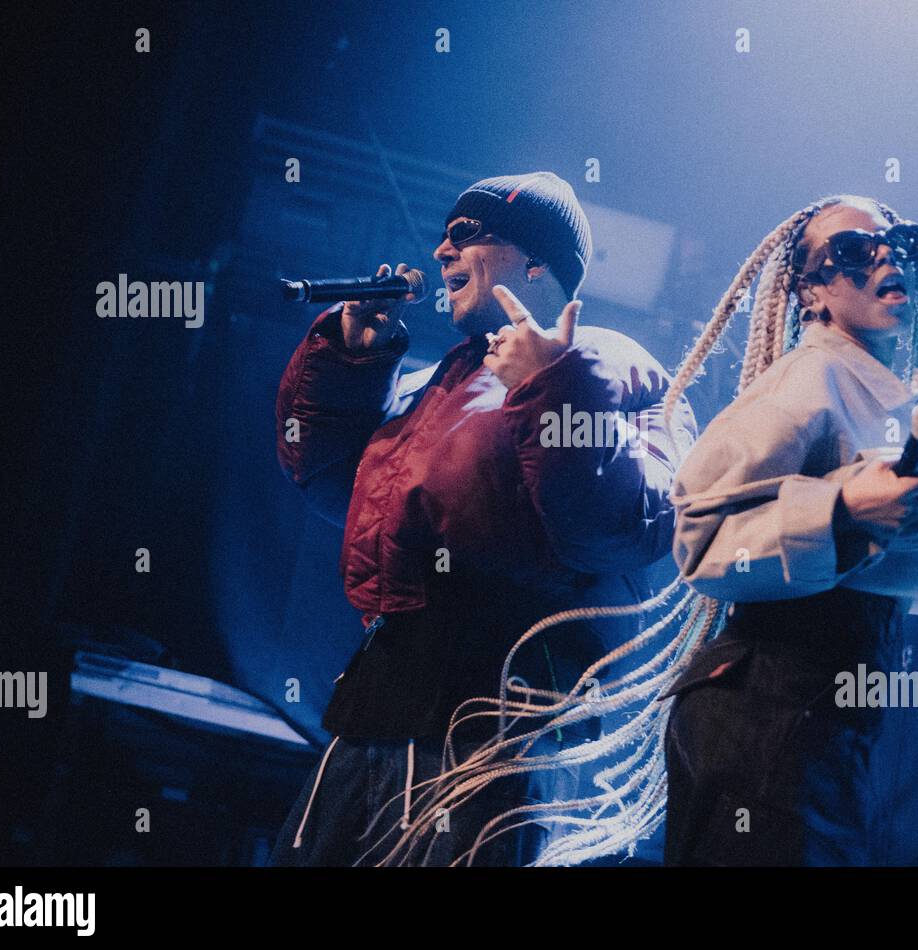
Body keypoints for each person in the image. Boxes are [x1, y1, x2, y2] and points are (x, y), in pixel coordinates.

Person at [268, 171, 696, 866]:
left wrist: (550, 384)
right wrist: (354, 362)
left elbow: (621, 529)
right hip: (380, 708)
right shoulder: (435, 379)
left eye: (466, 236)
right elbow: (329, 488)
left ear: (535, 260)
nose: (440, 251)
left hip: (496, 726)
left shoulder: (619, 368)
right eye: (443, 235)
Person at [662, 194, 918, 865]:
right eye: (853, 250)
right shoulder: (810, 375)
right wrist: (843, 511)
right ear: (811, 295)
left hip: (819, 719)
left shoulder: (880, 397)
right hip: (767, 710)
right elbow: (699, 535)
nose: (887, 255)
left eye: (901, 241)